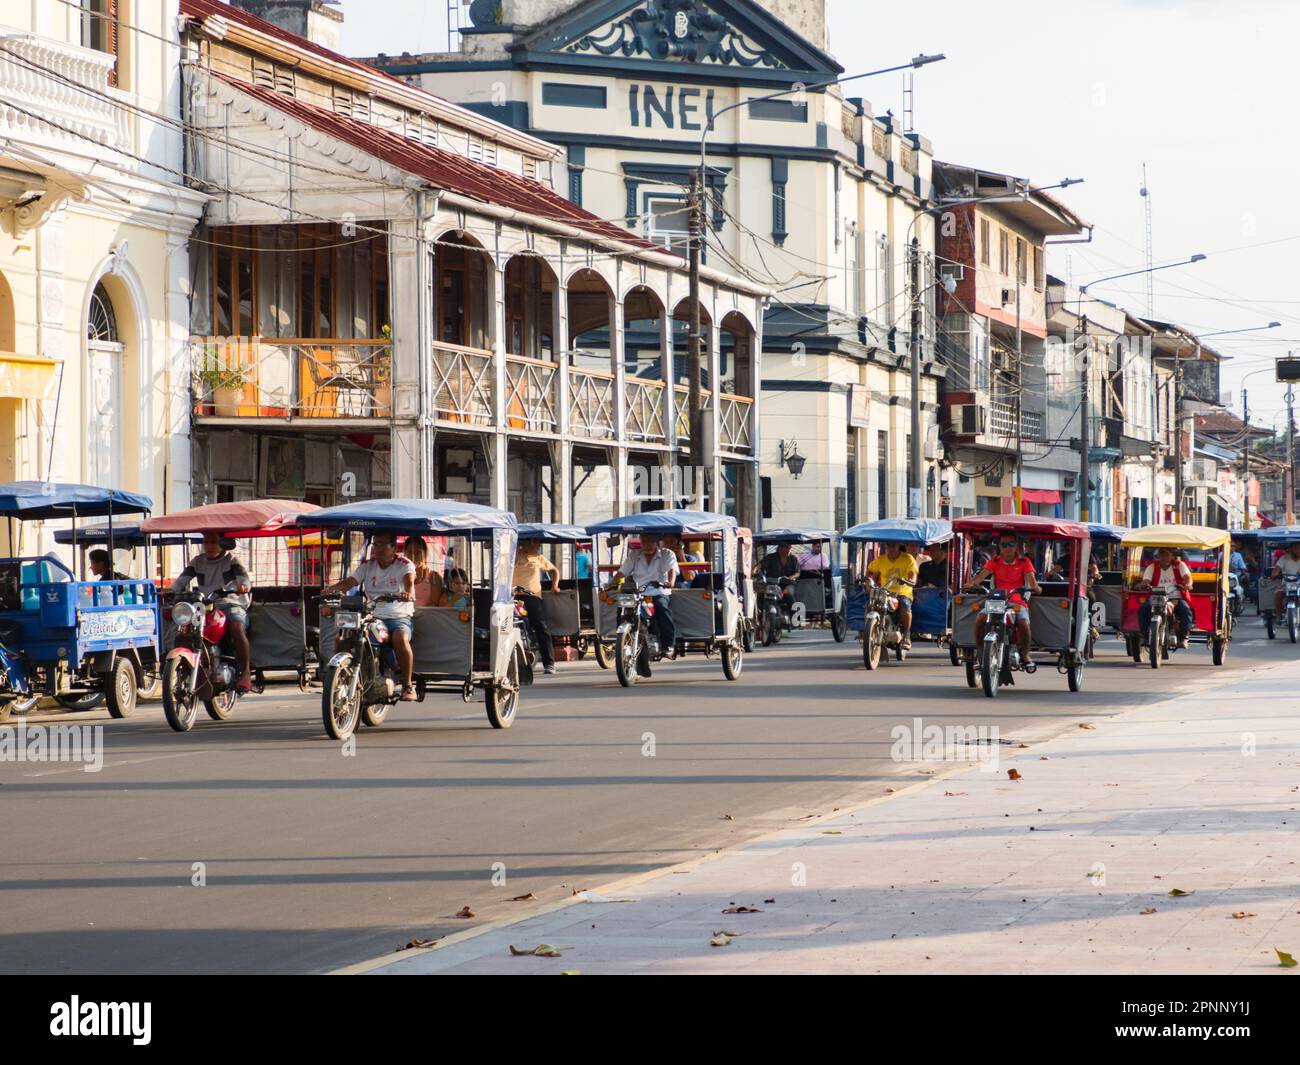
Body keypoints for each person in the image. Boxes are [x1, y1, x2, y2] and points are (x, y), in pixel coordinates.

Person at [325, 531, 417, 701]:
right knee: (344, 637)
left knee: (400, 639)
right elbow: (349, 583)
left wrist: (407, 592)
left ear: (394, 547)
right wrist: (330, 590)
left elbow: (409, 583)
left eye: (382, 544)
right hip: (373, 616)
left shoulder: (404, 564)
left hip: (399, 616)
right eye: (375, 544)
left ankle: (408, 685)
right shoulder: (368, 565)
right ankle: (338, 676)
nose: (377, 548)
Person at [171, 531, 255, 693]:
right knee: (185, 632)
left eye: (213, 542)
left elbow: (244, 579)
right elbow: (182, 580)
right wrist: (169, 590)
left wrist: (243, 586)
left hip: (231, 604)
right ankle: (192, 671)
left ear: (222, 543)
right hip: (205, 605)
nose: (209, 547)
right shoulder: (197, 561)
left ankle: (245, 673)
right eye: (206, 542)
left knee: (237, 627)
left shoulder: (231, 560)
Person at [965, 535, 1041, 669]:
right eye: (1004, 545)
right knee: (980, 619)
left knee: (1023, 624)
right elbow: (981, 576)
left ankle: (1025, 654)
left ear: (1016, 546)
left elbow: (1032, 581)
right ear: (999, 547)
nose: (1007, 548)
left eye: (1010, 544)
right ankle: (981, 652)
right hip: (997, 600)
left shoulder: (1024, 562)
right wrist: (970, 584)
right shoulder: (994, 561)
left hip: (1017, 601)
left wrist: (1035, 588)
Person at [609, 533, 679, 657]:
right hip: (638, 593)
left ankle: (668, 645)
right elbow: (621, 573)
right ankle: (620, 641)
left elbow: (671, 570)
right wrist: (609, 585)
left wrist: (670, 582)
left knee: (662, 607)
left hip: (659, 592)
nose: (647, 544)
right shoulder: (635, 555)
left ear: (656, 542)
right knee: (622, 604)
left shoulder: (667, 554)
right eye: (644, 541)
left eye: (650, 541)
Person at [1133, 546, 1194, 648]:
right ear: (1158, 556)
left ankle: (1184, 637)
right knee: (1143, 609)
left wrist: (1187, 585)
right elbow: (1146, 580)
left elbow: (1187, 577)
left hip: (1175, 598)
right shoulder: (1152, 567)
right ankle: (1143, 635)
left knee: (1185, 609)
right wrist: (1142, 585)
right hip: (1156, 597)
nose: (1164, 557)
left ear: (1171, 556)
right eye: (1162, 554)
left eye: (1166, 554)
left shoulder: (1180, 565)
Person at [513, 538, 559, 675]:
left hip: (533, 596)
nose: (539, 545)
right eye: (536, 542)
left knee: (542, 627)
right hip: (514, 595)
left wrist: (554, 586)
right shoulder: (515, 556)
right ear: (528, 542)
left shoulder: (539, 558)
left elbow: (554, 570)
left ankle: (549, 663)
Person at [866, 541, 918, 649]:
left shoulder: (908, 559)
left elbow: (913, 577)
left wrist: (908, 581)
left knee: (905, 606)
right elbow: (870, 571)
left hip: (902, 592)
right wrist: (868, 582)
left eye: (893, 545)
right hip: (885, 592)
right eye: (888, 545)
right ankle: (868, 631)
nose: (891, 548)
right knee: (869, 607)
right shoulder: (881, 560)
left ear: (899, 546)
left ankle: (906, 635)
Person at [403, 535, 443, 608]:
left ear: (425, 553)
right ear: (405, 554)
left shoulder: (434, 577)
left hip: (426, 617)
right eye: (409, 552)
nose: (413, 556)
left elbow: (435, 604)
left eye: (418, 552)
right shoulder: (399, 575)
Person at [1270, 541, 1300, 616]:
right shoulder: (1284, 558)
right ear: (1291, 549)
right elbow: (1276, 569)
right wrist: (1274, 574)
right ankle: (1279, 614)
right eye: (1296, 548)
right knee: (1278, 594)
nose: (1298, 550)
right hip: (1286, 584)